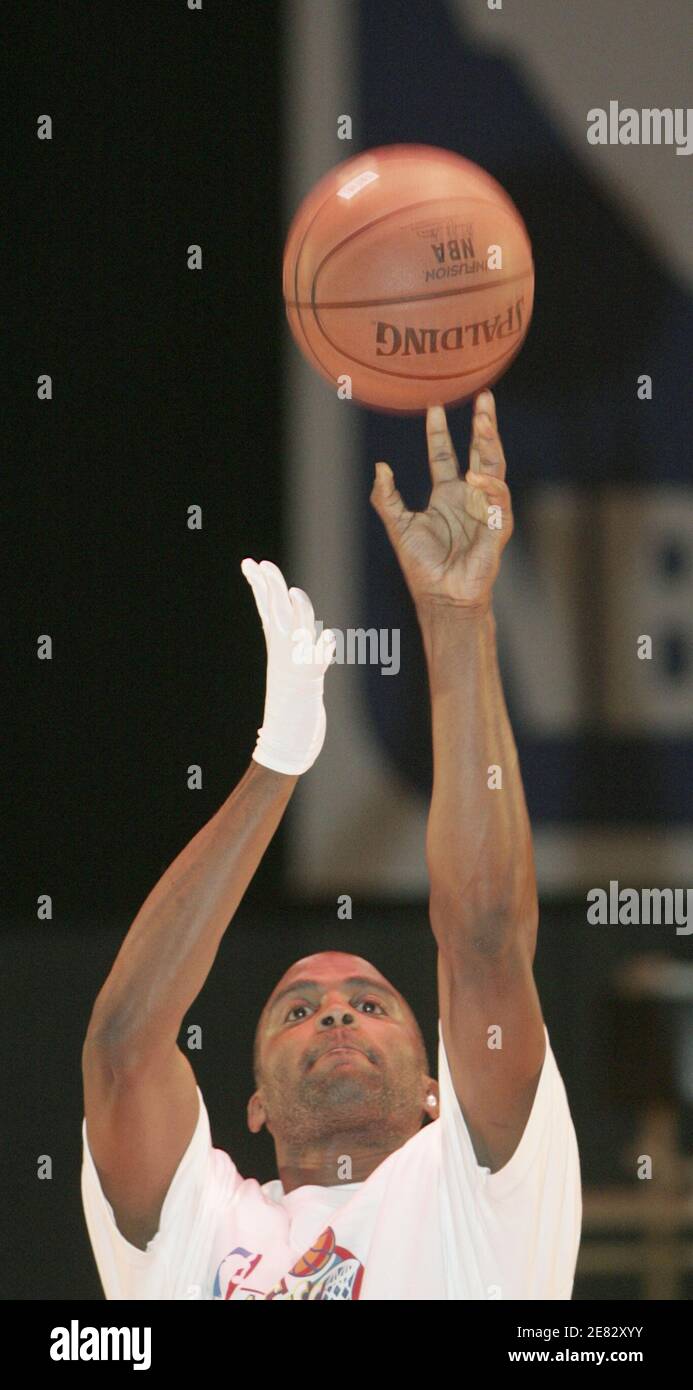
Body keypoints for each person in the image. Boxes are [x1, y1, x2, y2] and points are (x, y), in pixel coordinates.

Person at [81, 391, 582, 1300]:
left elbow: (482, 937)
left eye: (368, 1004)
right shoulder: (200, 1224)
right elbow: (122, 1047)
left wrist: (457, 618)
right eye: (298, 1009)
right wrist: (276, 765)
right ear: (255, 1106)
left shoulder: (478, 1187)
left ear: (438, 1091)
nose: (336, 1015)